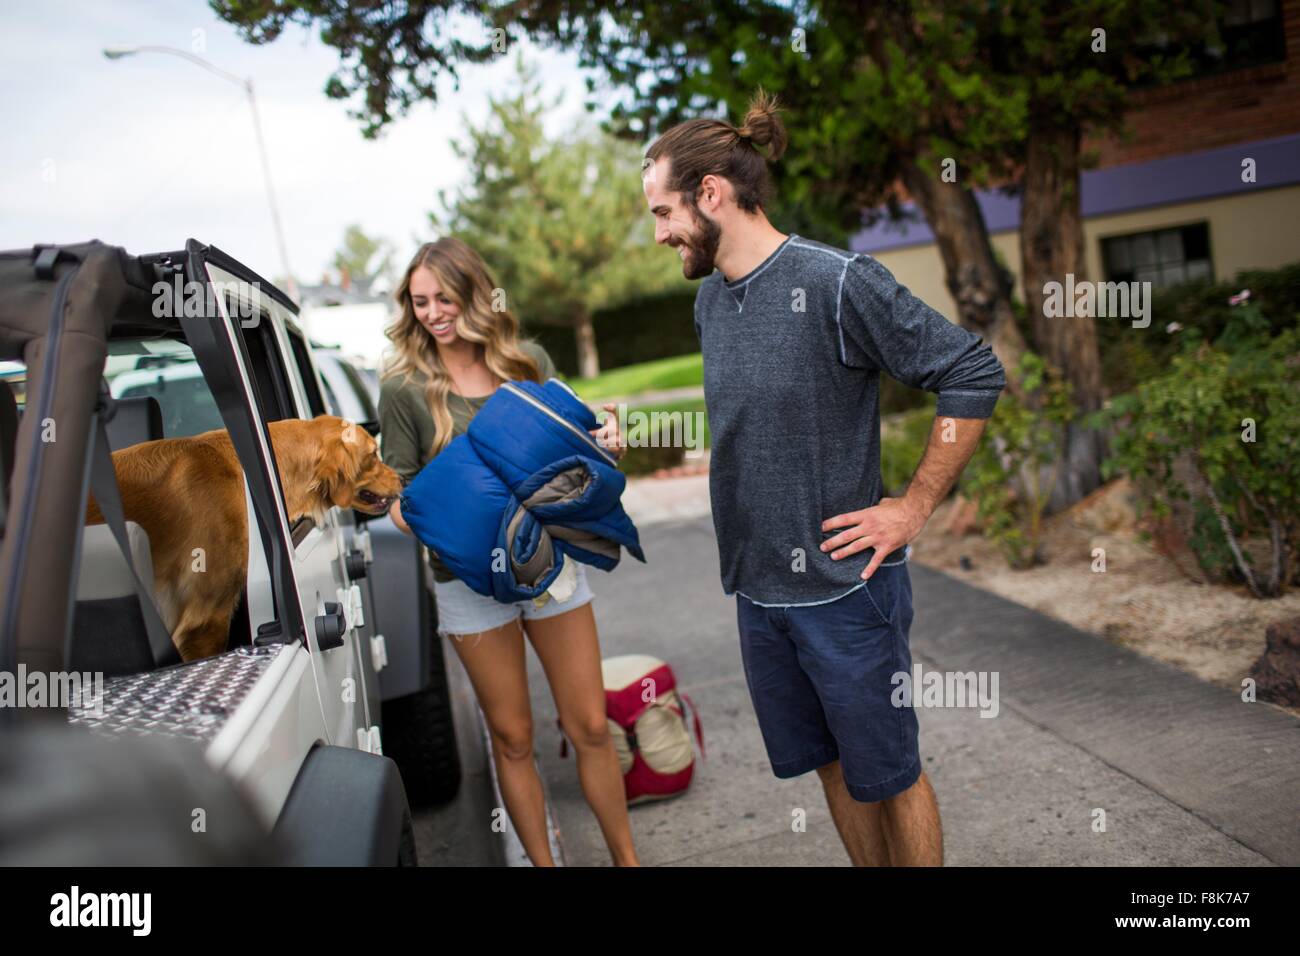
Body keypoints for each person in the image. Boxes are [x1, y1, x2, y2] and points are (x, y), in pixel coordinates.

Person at [642, 91, 1006, 866]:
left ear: (712, 194)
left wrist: (913, 506)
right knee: (832, 765)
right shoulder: (710, 301)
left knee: (892, 774)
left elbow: (971, 370)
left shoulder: (839, 283)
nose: (660, 233)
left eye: (664, 212)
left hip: (846, 591)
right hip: (759, 591)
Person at [377, 237, 638, 867]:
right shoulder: (405, 388)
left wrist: (610, 442)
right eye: (420, 303)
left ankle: (628, 861)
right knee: (513, 738)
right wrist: (446, 514)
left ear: (474, 296)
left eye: (444, 298)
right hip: (467, 584)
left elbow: (579, 449)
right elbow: (394, 496)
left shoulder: (527, 364)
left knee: (591, 727)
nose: (433, 313)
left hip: (551, 566)